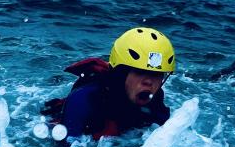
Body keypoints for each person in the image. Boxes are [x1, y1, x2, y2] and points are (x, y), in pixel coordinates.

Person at [44, 27, 176, 140]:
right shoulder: (84, 99)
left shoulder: (155, 101)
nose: (149, 82)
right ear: (121, 73)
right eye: (140, 72)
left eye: (156, 74)